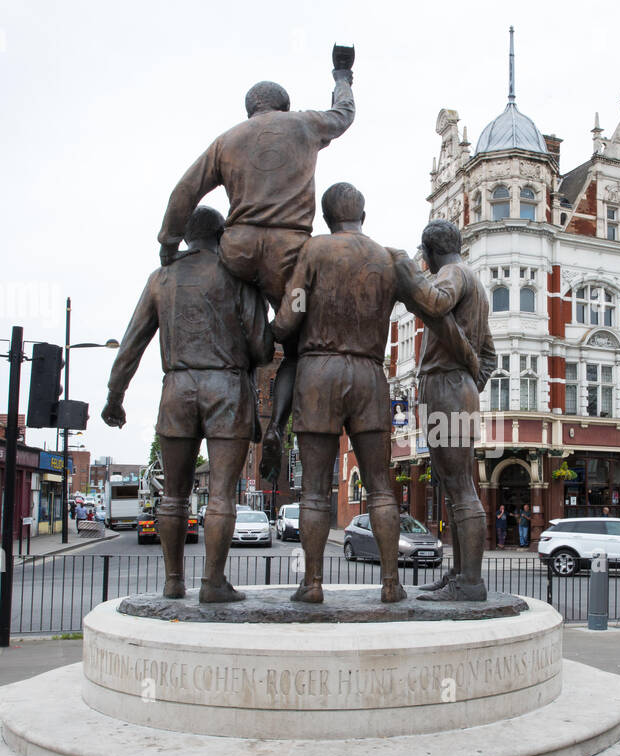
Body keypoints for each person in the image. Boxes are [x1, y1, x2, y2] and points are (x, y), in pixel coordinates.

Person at [154, 46, 356, 485]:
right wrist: (343, 73)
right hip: (289, 254)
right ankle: (277, 424)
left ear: (250, 111)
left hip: (238, 252)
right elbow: (344, 114)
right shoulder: (305, 123)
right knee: (295, 347)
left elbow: (182, 194)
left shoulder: (227, 140)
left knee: (238, 334)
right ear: (283, 106)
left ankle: (242, 402)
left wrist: (168, 245)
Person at [103, 205, 275, 602]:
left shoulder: (161, 280)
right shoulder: (239, 279)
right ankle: (214, 583)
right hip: (227, 389)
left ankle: (173, 580)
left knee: (174, 495)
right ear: (221, 236)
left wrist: (115, 396)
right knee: (220, 495)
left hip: (177, 388)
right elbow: (263, 350)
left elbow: (131, 343)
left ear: (186, 237)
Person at [271, 182, 404, 604]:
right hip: (369, 372)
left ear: (327, 217)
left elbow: (288, 320)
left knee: (312, 490)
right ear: (361, 214)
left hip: (318, 371)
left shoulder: (313, 251)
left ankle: (311, 584)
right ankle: (390, 583)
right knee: (381, 488)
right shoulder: (389, 258)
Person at [389, 218, 497, 600]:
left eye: (423, 256)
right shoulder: (475, 283)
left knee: (460, 488)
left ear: (429, 251)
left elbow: (434, 303)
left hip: (447, 387)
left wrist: (405, 271)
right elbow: (489, 357)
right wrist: (470, 383)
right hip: (455, 387)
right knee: (454, 488)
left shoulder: (451, 273)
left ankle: (469, 583)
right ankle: (458, 575)